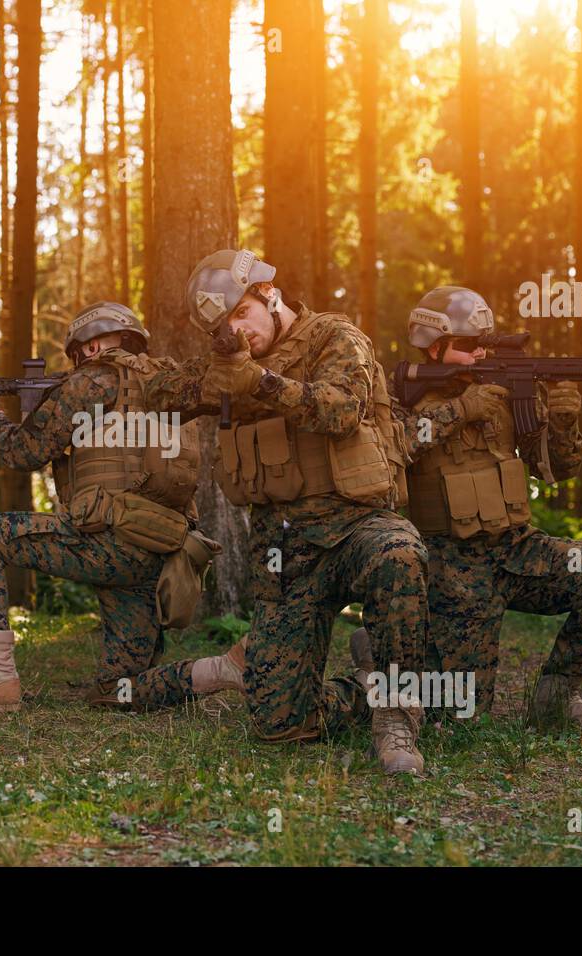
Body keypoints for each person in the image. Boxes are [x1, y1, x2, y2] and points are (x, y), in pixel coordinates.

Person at [138, 249, 430, 774]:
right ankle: (368, 687)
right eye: (224, 327)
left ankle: (397, 719)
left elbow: (341, 409)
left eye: (242, 315)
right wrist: (214, 380)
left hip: (357, 529)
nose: (239, 331)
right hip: (286, 554)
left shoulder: (335, 337)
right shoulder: (233, 361)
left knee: (399, 554)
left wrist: (261, 383)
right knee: (280, 725)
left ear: (268, 294)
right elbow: (157, 394)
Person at [0, 301, 245, 714]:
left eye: (79, 353)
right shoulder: (167, 382)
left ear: (91, 347)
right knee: (119, 690)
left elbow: (23, 453)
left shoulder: (93, 382)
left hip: (109, 543)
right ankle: (221, 669)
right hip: (159, 550)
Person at [387, 285, 582, 730]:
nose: (481, 352)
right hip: (452, 567)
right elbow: (397, 449)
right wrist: (461, 410)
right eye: (468, 346)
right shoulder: (401, 398)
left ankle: (558, 699)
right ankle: (385, 649)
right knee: (460, 719)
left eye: (484, 343)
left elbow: (554, 470)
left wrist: (563, 425)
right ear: (434, 344)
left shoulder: (506, 393)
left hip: (519, 551)